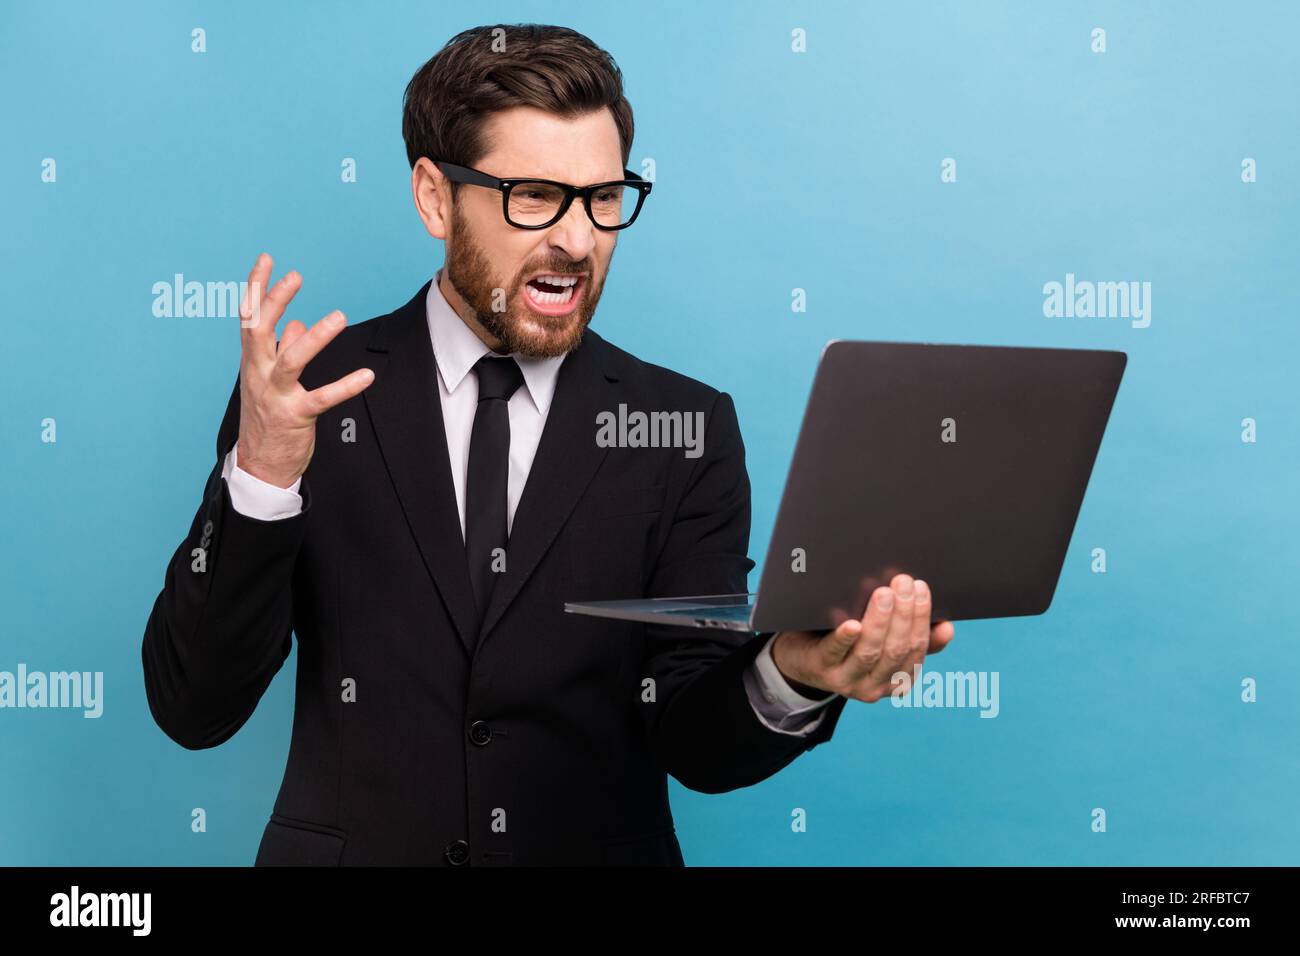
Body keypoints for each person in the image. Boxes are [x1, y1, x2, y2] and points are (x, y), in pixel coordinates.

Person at [141, 23, 955, 866]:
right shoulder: (305, 399)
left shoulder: (686, 429)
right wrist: (264, 477)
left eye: (603, 197)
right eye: (534, 194)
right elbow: (194, 707)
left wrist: (799, 670)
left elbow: (695, 739)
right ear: (433, 197)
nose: (576, 238)